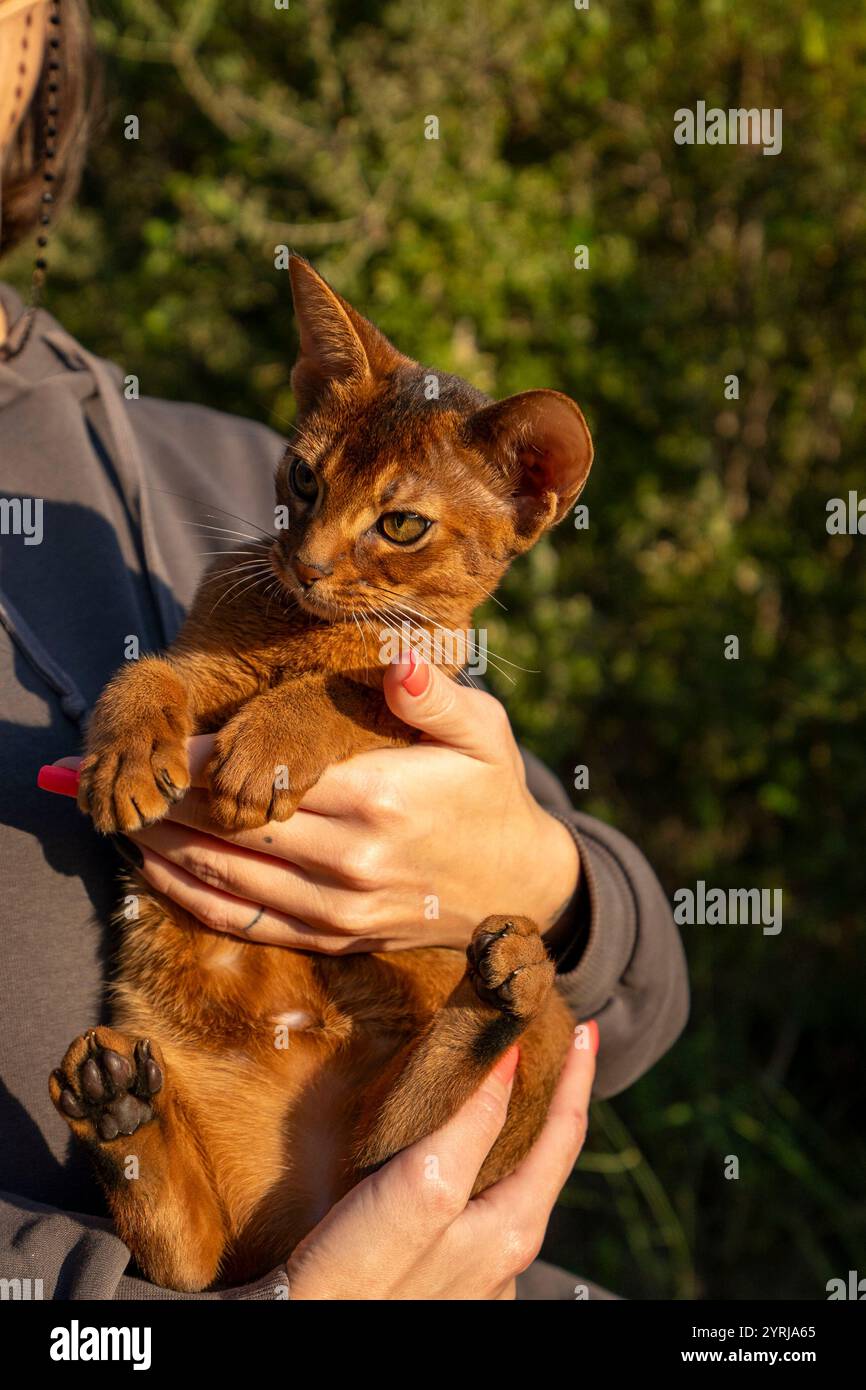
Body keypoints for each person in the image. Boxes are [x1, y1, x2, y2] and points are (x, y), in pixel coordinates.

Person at [0, 0, 688, 1299]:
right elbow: (187, 680)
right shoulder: (250, 573)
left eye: (393, 526)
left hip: (417, 1152)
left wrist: (546, 873)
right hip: (212, 1200)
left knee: (504, 1023)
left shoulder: (173, 449)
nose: (315, 556)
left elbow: (644, 988)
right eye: (307, 490)